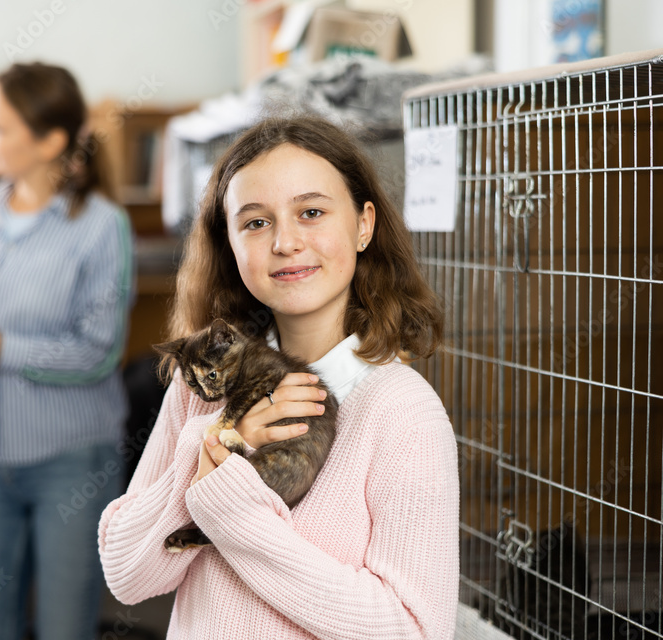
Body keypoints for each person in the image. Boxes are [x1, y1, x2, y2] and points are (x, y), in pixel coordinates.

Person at [98, 115, 459, 639]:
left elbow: (412, 631)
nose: (286, 242)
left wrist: (231, 504)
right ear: (230, 243)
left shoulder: (403, 411)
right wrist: (213, 442)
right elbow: (127, 575)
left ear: (364, 224)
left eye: (311, 212)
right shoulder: (200, 387)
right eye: (255, 222)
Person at [0, 62, 135, 640]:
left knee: (64, 627)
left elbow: (97, 351)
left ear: (51, 141)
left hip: (72, 462)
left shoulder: (100, 226)